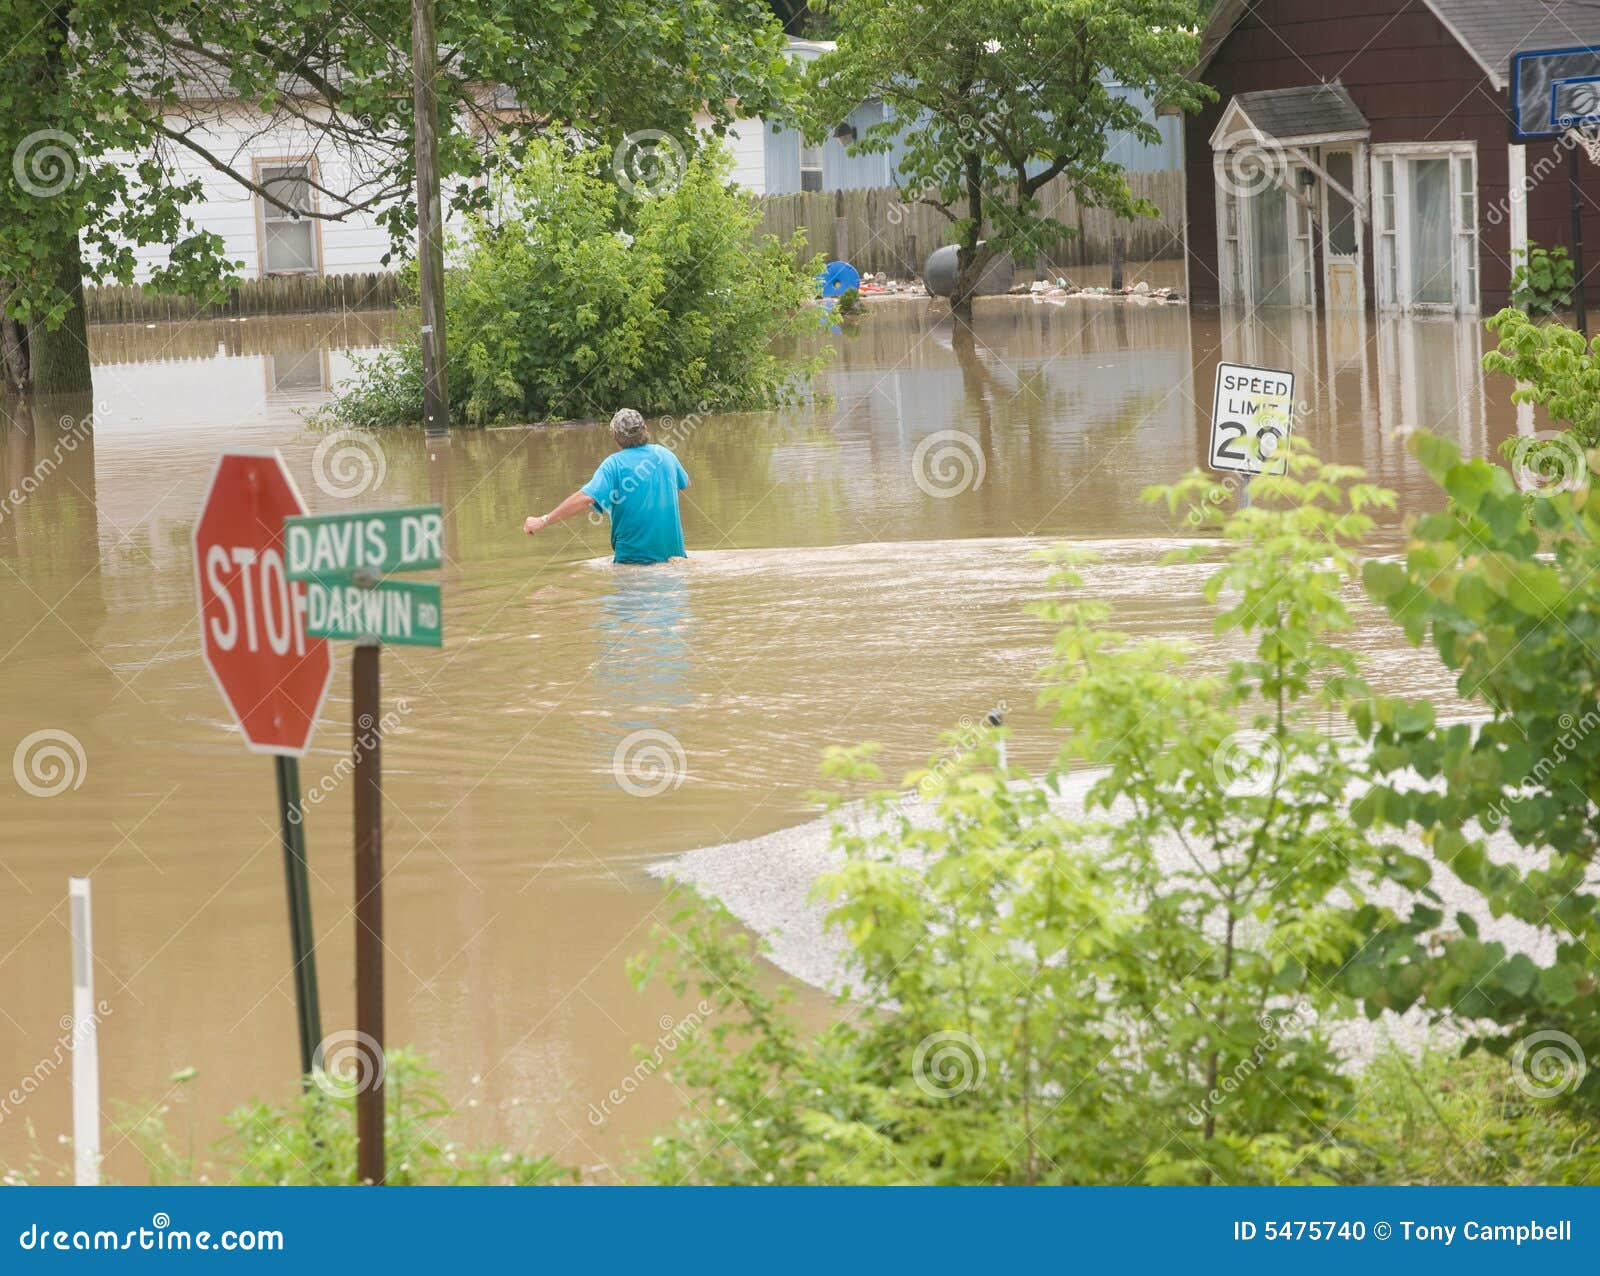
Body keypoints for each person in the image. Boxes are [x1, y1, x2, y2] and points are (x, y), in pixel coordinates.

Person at [524, 408, 689, 564]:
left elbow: (586, 498)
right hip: (675, 562)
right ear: (645, 429)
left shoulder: (614, 464)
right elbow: (684, 484)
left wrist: (543, 520)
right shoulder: (665, 454)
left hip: (633, 565)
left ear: (614, 436)